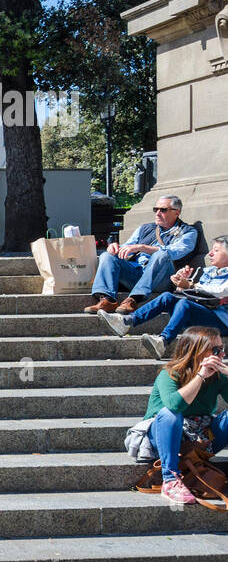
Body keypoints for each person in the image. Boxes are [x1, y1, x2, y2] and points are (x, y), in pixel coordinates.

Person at [138, 326, 228, 506]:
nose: (221, 354)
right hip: (164, 438)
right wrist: (201, 376)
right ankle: (170, 480)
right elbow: (175, 405)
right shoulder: (170, 372)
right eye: (215, 350)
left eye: (222, 348)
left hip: (200, 439)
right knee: (171, 413)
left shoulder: (218, 376)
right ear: (196, 351)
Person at [98, 235, 228, 357]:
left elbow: (220, 291)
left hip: (222, 322)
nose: (210, 254)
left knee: (184, 304)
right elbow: (201, 296)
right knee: (167, 297)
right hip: (204, 314)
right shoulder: (210, 272)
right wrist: (181, 283)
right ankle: (127, 322)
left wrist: (191, 285)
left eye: (216, 251)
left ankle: (163, 341)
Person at [84, 194, 198, 314]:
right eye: (156, 209)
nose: (157, 213)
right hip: (136, 273)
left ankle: (133, 300)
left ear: (177, 212)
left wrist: (142, 247)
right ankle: (107, 300)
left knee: (161, 254)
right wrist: (115, 248)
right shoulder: (145, 228)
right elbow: (127, 247)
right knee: (107, 256)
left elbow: (174, 252)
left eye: (163, 210)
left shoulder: (188, 232)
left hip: (161, 278)